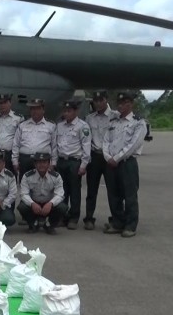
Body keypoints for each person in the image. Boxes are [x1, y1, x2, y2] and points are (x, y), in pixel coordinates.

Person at [102, 92, 147, 238]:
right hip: (111, 163)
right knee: (113, 195)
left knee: (130, 196)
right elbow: (106, 141)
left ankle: (130, 225)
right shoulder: (113, 122)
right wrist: (108, 157)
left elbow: (134, 144)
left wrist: (117, 158)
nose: (120, 106)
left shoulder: (138, 122)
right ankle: (117, 222)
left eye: (124, 103)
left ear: (131, 104)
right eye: (119, 103)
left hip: (127, 164)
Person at [83, 90, 119, 230]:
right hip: (95, 156)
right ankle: (89, 218)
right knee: (91, 190)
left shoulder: (115, 116)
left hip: (110, 157)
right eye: (95, 100)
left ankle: (115, 218)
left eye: (100, 100)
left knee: (113, 190)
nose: (98, 103)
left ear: (106, 100)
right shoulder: (89, 118)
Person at [55, 100, 91, 230]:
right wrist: (54, 162)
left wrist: (84, 165)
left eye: (69, 111)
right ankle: (62, 216)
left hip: (75, 161)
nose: (66, 113)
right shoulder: (59, 126)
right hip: (61, 161)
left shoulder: (83, 126)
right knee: (62, 191)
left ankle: (74, 217)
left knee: (75, 191)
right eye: (64, 111)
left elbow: (86, 146)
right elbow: (56, 145)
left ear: (76, 111)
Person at [19, 152, 67, 235]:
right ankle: (32, 224)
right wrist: (32, 203)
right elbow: (23, 194)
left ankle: (50, 225)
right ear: (35, 164)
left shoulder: (56, 176)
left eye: (44, 162)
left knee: (63, 207)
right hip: (34, 203)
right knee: (22, 206)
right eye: (39, 162)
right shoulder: (27, 176)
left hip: (49, 204)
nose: (41, 165)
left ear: (49, 163)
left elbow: (60, 194)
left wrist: (50, 203)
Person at [13, 98, 57, 178]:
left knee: (43, 186)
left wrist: (53, 163)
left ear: (43, 110)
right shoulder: (22, 125)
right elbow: (16, 144)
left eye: (37, 108)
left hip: (42, 160)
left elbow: (54, 146)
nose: (34, 111)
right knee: (24, 186)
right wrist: (15, 161)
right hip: (25, 160)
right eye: (32, 109)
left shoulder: (51, 126)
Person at [0, 94, 23, 174]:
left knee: (10, 178)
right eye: (0, 103)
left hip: (10, 154)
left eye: (5, 102)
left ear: (10, 103)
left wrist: (16, 158)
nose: (2, 105)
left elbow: (20, 140)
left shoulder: (18, 118)